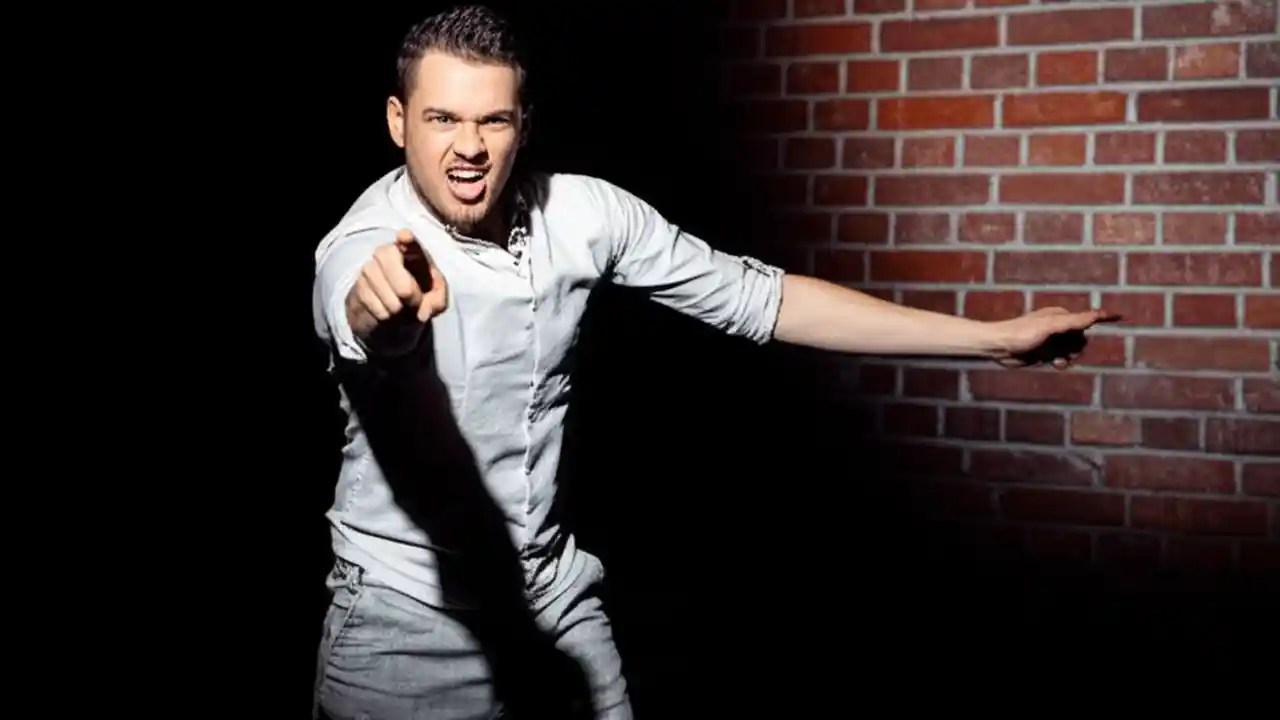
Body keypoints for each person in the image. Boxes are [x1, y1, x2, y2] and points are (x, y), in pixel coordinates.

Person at [310, 5, 1118, 719]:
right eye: (442, 119)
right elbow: (364, 313)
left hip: (553, 596)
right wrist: (382, 311)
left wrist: (990, 337)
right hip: (407, 620)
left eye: (492, 122)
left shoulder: (587, 213)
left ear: (523, 124)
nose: (469, 148)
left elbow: (764, 301)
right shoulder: (361, 248)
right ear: (396, 120)